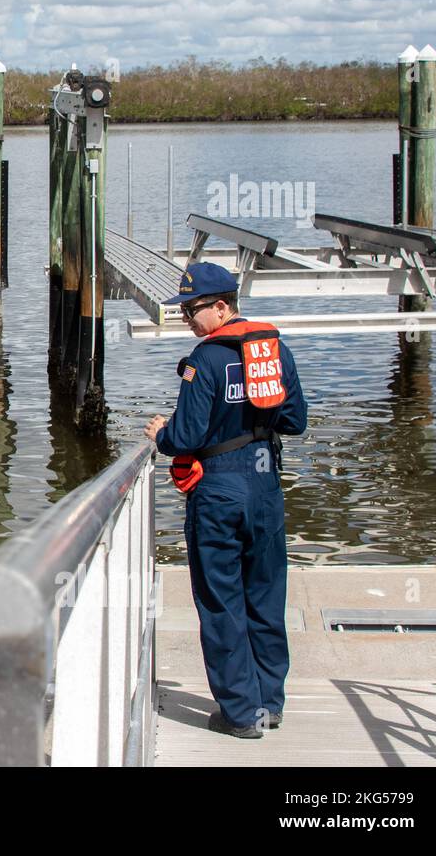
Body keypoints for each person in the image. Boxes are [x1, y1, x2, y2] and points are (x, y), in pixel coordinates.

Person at [143, 262, 307, 739]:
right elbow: (295, 421)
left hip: (217, 491)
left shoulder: (205, 360)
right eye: (183, 312)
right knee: (266, 595)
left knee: (221, 603)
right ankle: (269, 703)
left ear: (222, 305)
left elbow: (187, 434)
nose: (187, 320)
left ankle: (239, 713)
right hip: (264, 486)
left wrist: (161, 434)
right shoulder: (272, 349)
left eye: (192, 310)